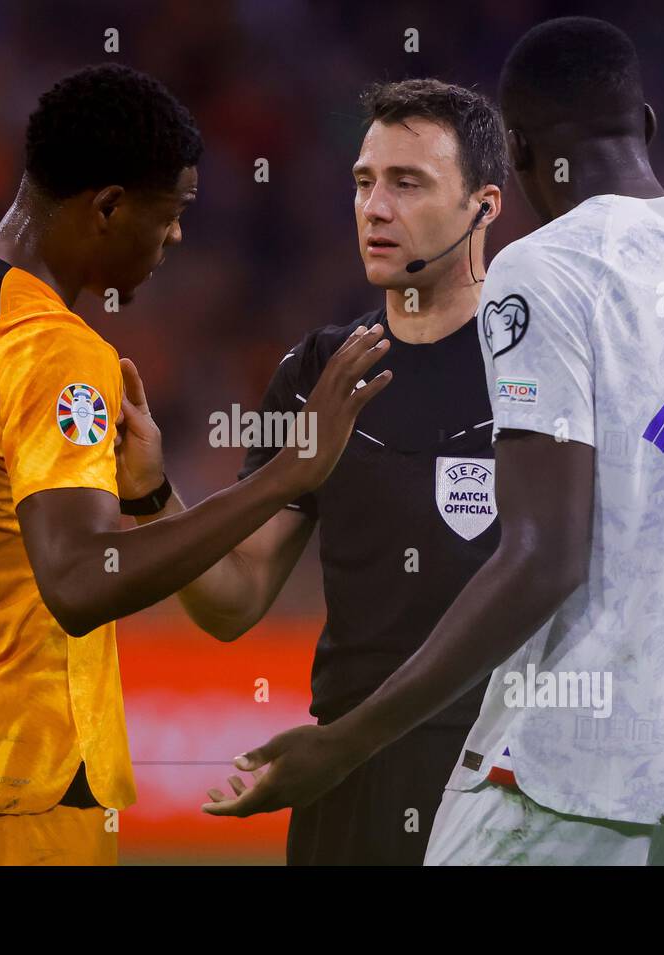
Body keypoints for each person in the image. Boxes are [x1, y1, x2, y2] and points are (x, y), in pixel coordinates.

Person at [202, 17, 664, 867]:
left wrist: (343, 741)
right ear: (647, 126)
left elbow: (544, 555)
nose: (375, 205)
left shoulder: (546, 268)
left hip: (566, 782)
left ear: (512, 153)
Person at [0, 63, 390, 865]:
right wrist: (286, 476)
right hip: (17, 781)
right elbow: (82, 583)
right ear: (110, 206)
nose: (177, 237)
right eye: (173, 213)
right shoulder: (54, 350)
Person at [119, 79, 505, 864]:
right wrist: (151, 491)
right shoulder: (317, 369)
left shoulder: (541, 364)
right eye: (364, 182)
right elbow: (233, 600)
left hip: (505, 780)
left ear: (484, 207)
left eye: (408, 183)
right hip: (346, 775)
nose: (375, 208)